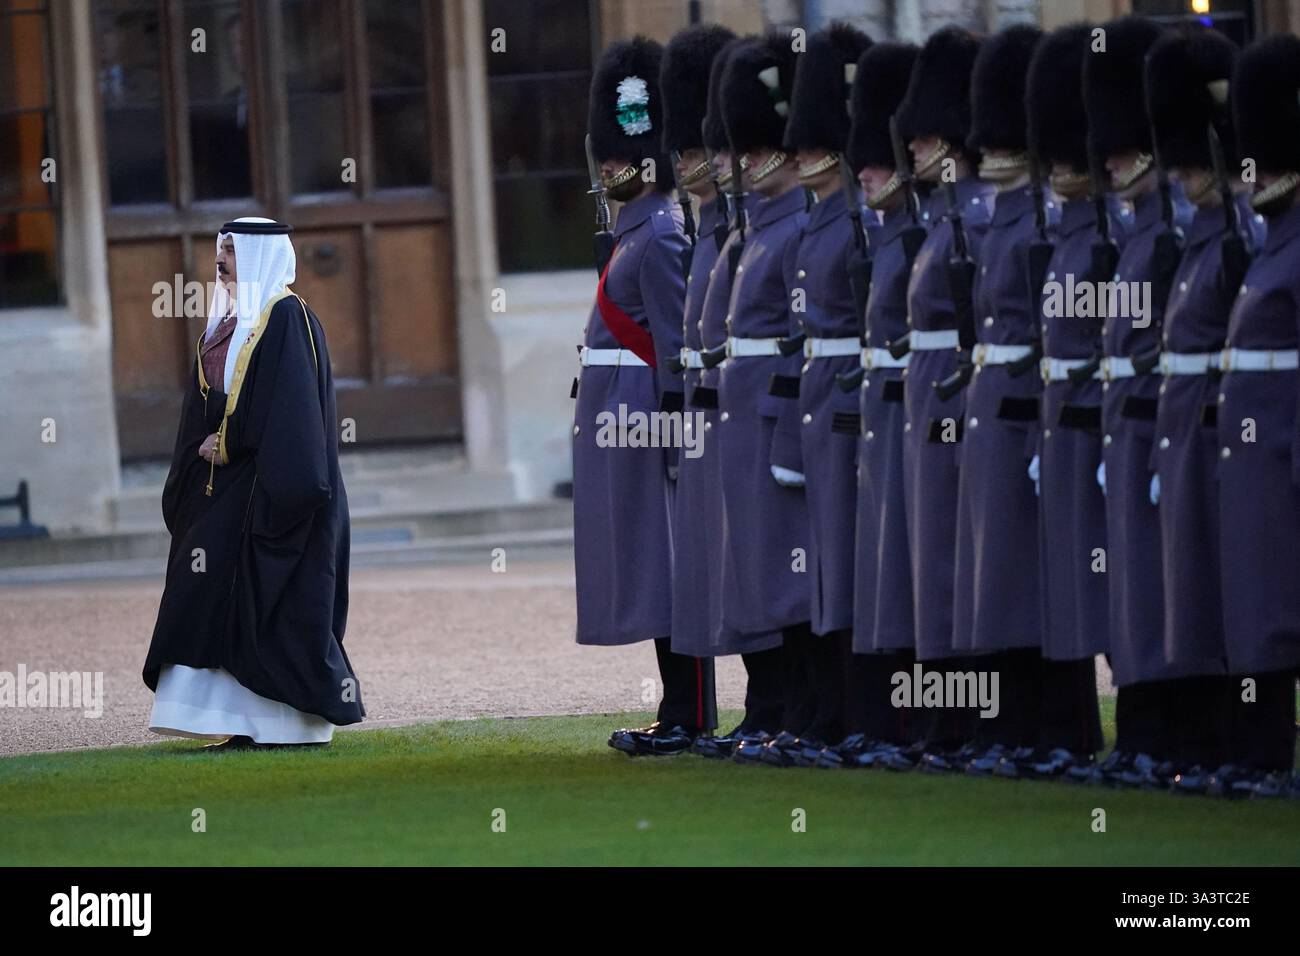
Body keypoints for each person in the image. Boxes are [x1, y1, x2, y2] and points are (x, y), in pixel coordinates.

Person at [143, 217, 364, 748]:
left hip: (271, 491)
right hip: (224, 492)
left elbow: (289, 409)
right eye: (219, 250)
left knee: (269, 603)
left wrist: (230, 441)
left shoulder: (287, 317)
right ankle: (236, 724)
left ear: (259, 256)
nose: (220, 260)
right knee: (203, 593)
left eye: (231, 251)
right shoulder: (228, 320)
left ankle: (287, 727)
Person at [574, 37, 713, 757]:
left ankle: (690, 713)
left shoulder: (658, 234)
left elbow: (673, 347)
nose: (607, 167)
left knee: (669, 568)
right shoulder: (631, 232)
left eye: (620, 155)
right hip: (621, 423)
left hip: (648, 430)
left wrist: (676, 438)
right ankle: (677, 708)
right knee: (649, 567)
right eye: (606, 154)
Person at [994, 23, 1125, 781]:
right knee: (1058, 582)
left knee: (1113, 587)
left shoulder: (1108, 232)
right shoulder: (1062, 231)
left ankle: (1094, 730)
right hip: (1054, 421)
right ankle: (1060, 730)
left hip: (1105, 424)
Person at [1145, 24, 1264, 794]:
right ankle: (1213, 743)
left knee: (1239, 596)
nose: (1180, 172)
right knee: (1195, 594)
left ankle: (1249, 746)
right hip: (1191, 433)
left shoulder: (1240, 238)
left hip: (1231, 436)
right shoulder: (1201, 238)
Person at [1083, 15, 1198, 788]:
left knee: (1169, 593)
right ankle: (1145, 735)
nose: (1112, 160)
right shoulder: (1133, 234)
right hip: (1127, 431)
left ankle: (1178, 738)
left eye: (1126, 146)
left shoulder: (1175, 233)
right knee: (1131, 593)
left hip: (1167, 431)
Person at [881, 26, 993, 772]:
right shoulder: (944, 215)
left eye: (925, 137)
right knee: (932, 573)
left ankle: (973, 724)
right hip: (932, 406)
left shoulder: (972, 216)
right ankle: (943, 722)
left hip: (960, 405)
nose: (913, 146)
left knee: (960, 570)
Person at [713, 33, 816, 766]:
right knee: (755, 570)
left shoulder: (797, 227)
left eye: (758, 149)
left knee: (790, 574)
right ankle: (770, 707)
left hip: (776, 418)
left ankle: (801, 711)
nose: (745, 162)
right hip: (743, 416)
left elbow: (800, 346)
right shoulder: (757, 230)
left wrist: (786, 438)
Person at [951, 24, 1050, 774]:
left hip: (1022, 409)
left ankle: (1048, 730)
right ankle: (1010, 727)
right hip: (990, 404)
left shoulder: (1031, 217)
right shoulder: (1000, 216)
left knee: (1027, 575)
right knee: (994, 574)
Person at [778, 22, 875, 765]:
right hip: (817, 402)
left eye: (815, 142)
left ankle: (858, 713)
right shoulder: (817, 224)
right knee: (823, 564)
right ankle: (831, 712)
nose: (801, 153)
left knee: (853, 562)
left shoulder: (859, 224)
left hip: (848, 407)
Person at [1211, 32, 1300, 798]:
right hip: (1258, 454)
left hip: (1283, 449)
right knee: (1264, 606)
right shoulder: (1273, 241)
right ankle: (1264, 753)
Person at [834, 39, 926, 769]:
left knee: (916, 577)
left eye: (875, 159)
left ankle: (923, 724)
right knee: (884, 576)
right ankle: (891, 721)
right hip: (884, 415)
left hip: (917, 417)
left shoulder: (920, 234)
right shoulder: (890, 235)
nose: (862, 170)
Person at [658, 22, 735, 743]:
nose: (684, 164)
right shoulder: (706, 226)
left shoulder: (732, 227)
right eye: (678, 152)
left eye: (693, 150)